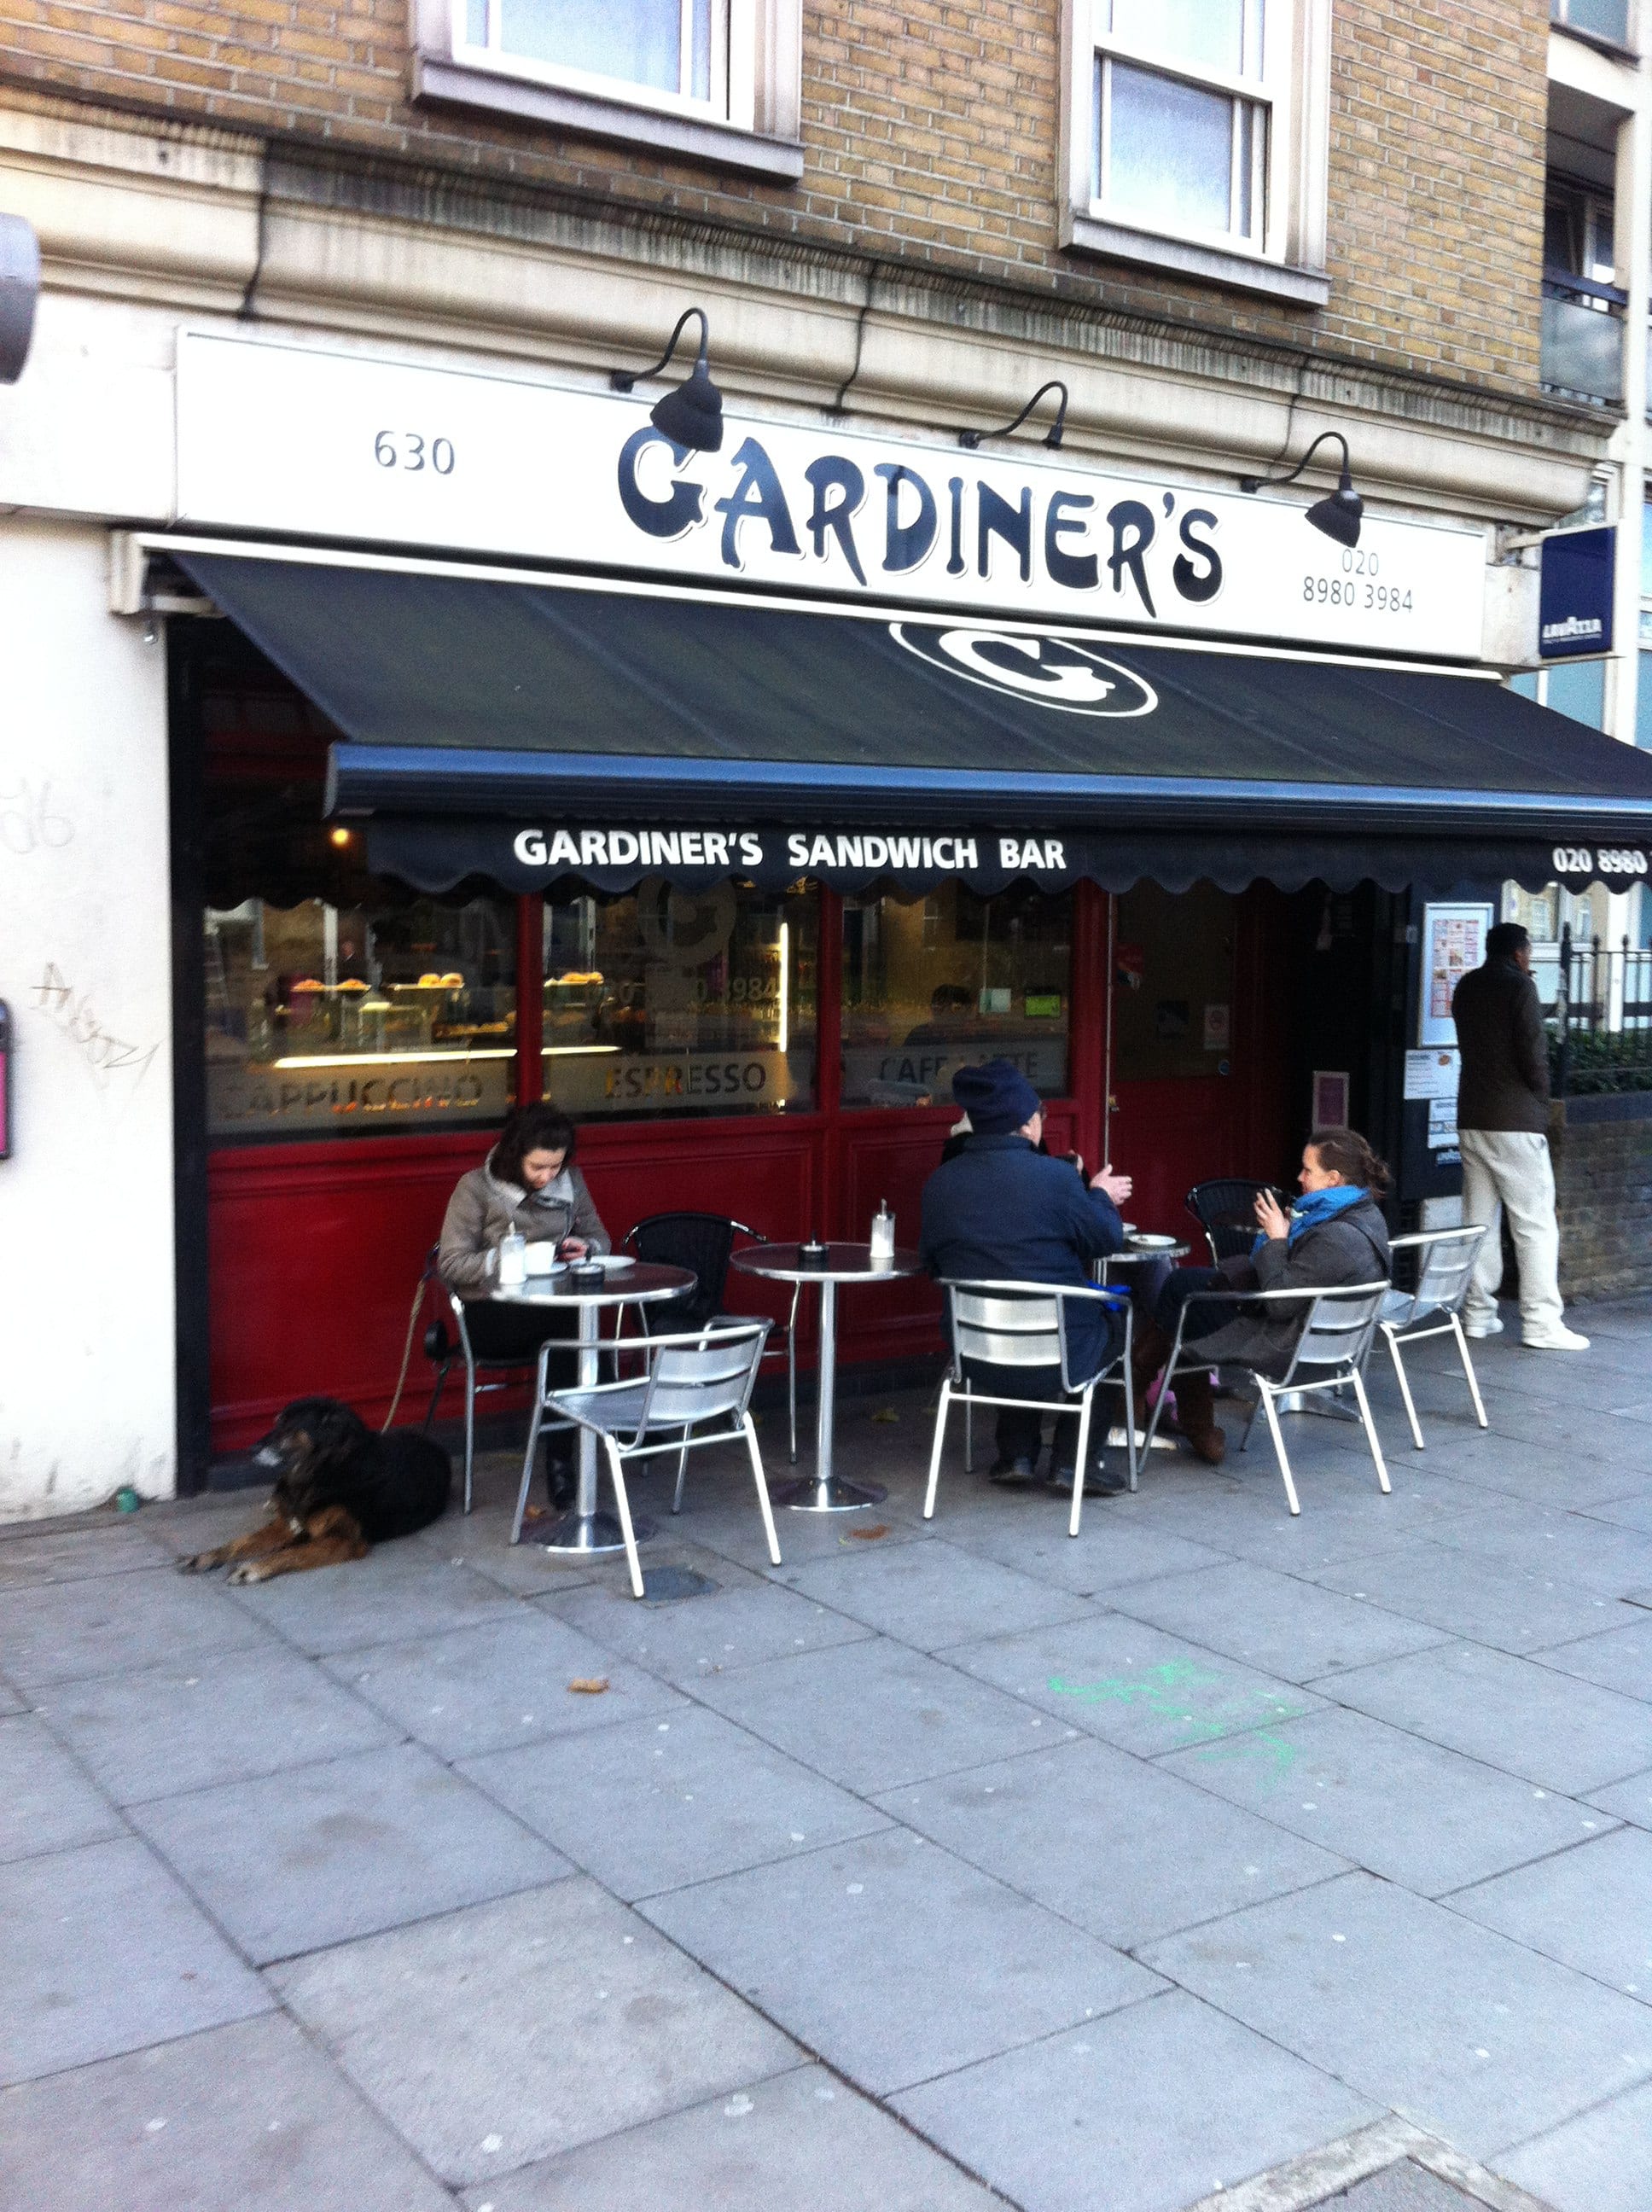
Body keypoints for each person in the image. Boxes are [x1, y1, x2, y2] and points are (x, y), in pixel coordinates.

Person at [920, 1058, 1133, 1495]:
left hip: (974, 1354)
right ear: (1028, 1125)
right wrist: (1099, 1195)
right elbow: (1107, 1238)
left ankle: (1015, 1454)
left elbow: (933, 1265)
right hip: (1056, 1349)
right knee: (1115, 1322)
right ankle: (1074, 1463)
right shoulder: (1056, 1178)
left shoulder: (941, 1183)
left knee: (1027, 1321)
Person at [1131, 1128, 1393, 1465]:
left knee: (1186, 1305)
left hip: (1288, 1340)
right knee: (1185, 1287)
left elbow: (1280, 1303)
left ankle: (1145, 1397)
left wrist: (1276, 1239)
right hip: (1317, 1332)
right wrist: (1285, 1236)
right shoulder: (1364, 1214)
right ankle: (1180, 1417)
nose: (1299, 1177)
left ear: (1333, 1179)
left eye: (1307, 1170)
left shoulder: (1338, 1238)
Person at [438, 1103, 612, 1504]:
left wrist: (585, 1248)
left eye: (556, 1167)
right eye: (538, 1168)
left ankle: (566, 1456)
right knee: (573, 1334)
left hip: (553, 1308)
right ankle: (583, 1445)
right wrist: (512, 1257)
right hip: (491, 1312)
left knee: (573, 1331)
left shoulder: (569, 1181)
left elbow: (602, 1238)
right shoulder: (476, 1188)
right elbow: (451, 1264)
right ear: (514, 1155)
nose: (548, 1177)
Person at [1451, 920, 1587, 1351]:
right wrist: (1542, 1098)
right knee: (1534, 1225)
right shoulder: (1521, 987)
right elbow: (1533, 1050)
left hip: (1472, 1115)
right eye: (1528, 952)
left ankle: (1476, 1314)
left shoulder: (1467, 986)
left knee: (1478, 1222)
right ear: (1519, 953)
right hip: (1516, 1121)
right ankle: (1541, 1322)